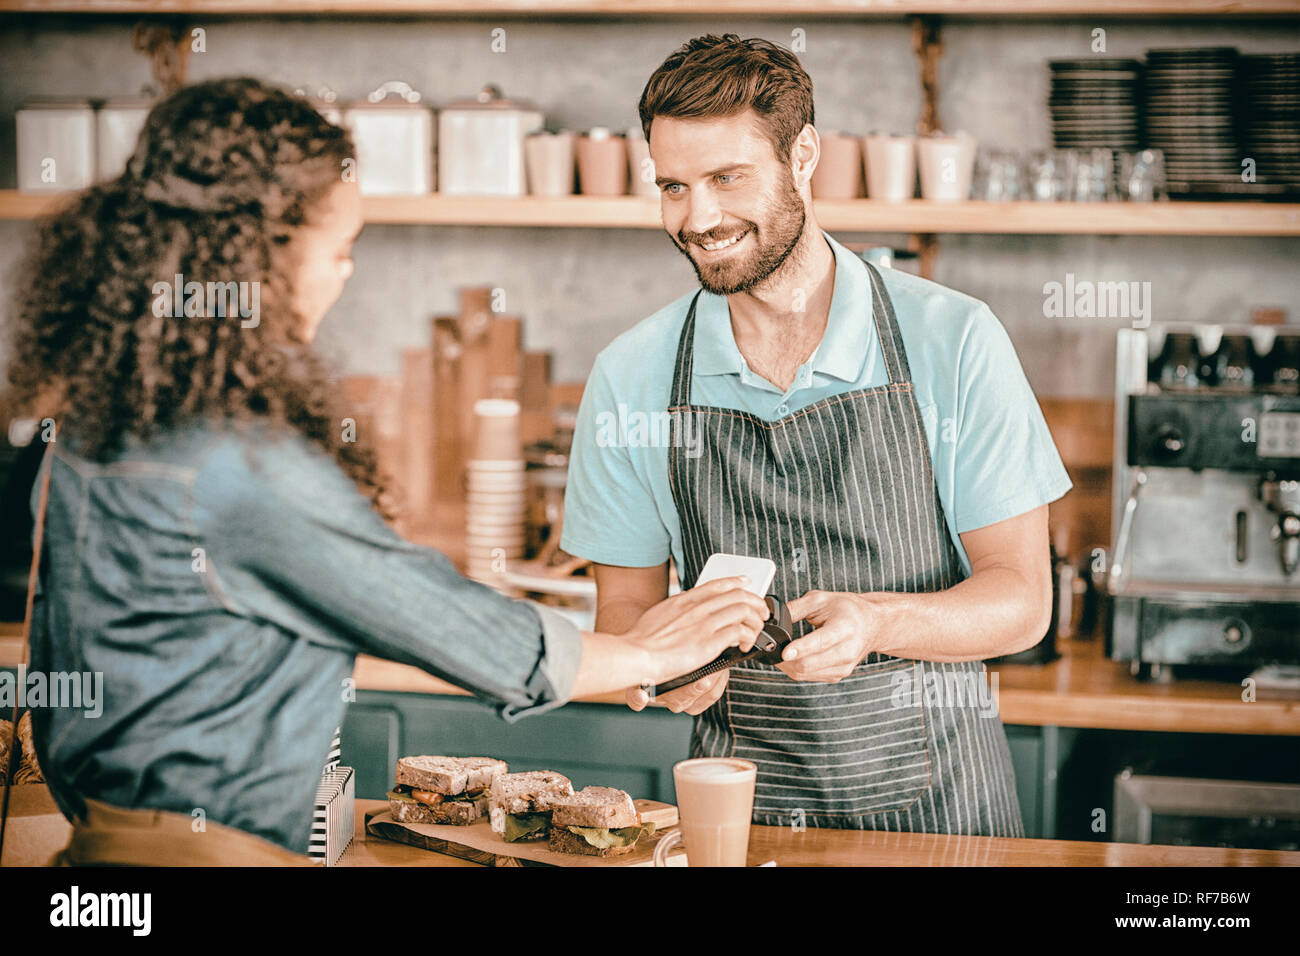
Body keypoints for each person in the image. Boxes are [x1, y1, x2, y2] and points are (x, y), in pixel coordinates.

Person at [3, 77, 767, 864]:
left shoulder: (102, 424)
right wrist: (647, 654)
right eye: (337, 249)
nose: (343, 276)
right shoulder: (237, 469)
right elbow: (441, 621)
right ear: (260, 257)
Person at [561, 35, 1073, 837]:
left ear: (804, 156)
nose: (699, 219)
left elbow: (1021, 602)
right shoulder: (632, 376)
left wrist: (877, 622)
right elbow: (626, 613)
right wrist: (658, 666)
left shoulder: (953, 339)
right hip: (742, 813)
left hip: (945, 811)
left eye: (728, 178)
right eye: (673, 187)